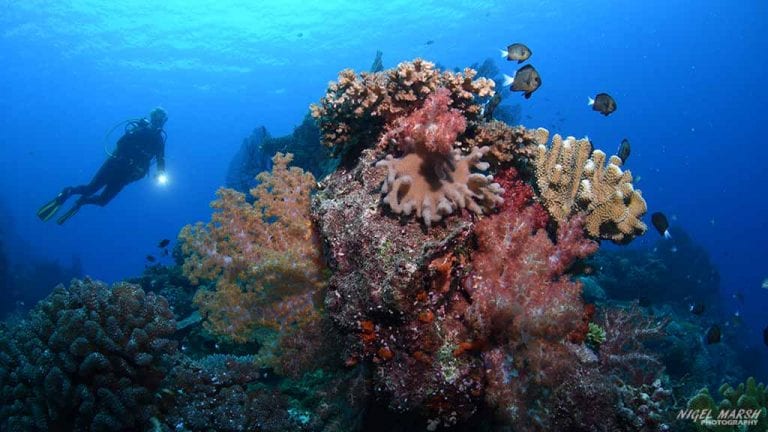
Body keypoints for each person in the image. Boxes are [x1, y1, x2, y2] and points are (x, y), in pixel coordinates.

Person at [37, 107, 168, 225]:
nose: (158, 123)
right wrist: (128, 158)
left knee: (102, 201)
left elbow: (160, 159)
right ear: (152, 118)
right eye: (156, 119)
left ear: (163, 123)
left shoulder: (159, 141)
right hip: (114, 166)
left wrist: (161, 172)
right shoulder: (140, 130)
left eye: (161, 121)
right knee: (90, 189)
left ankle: (81, 202)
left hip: (126, 176)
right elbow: (121, 142)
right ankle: (68, 192)